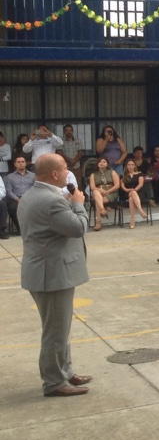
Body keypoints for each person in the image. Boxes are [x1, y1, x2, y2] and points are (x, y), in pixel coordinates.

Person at [19, 153, 91, 397]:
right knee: (55, 331)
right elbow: (78, 227)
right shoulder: (52, 201)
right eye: (64, 168)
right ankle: (53, 382)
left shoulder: (31, 195)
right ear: (54, 174)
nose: (67, 172)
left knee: (60, 327)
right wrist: (78, 202)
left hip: (44, 271)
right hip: (52, 274)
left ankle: (65, 372)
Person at [88, 156, 120, 230]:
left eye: (104, 162)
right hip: (99, 193)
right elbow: (92, 187)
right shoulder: (93, 174)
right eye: (100, 161)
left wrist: (108, 191)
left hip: (110, 193)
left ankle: (98, 222)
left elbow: (117, 185)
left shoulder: (112, 172)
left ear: (107, 164)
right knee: (95, 192)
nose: (101, 163)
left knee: (97, 201)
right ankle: (103, 209)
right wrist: (100, 190)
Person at [119, 158, 145, 229]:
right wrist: (127, 190)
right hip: (127, 193)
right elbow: (122, 186)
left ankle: (132, 220)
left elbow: (141, 184)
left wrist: (135, 189)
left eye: (132, 165)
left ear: (134, 166)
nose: (130, 166)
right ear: (126, 166)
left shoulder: (139, 174)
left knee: (131, 199)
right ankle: (141, 210)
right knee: (131, 194)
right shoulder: (123, 175)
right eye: (129, 165)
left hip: (138, 193)